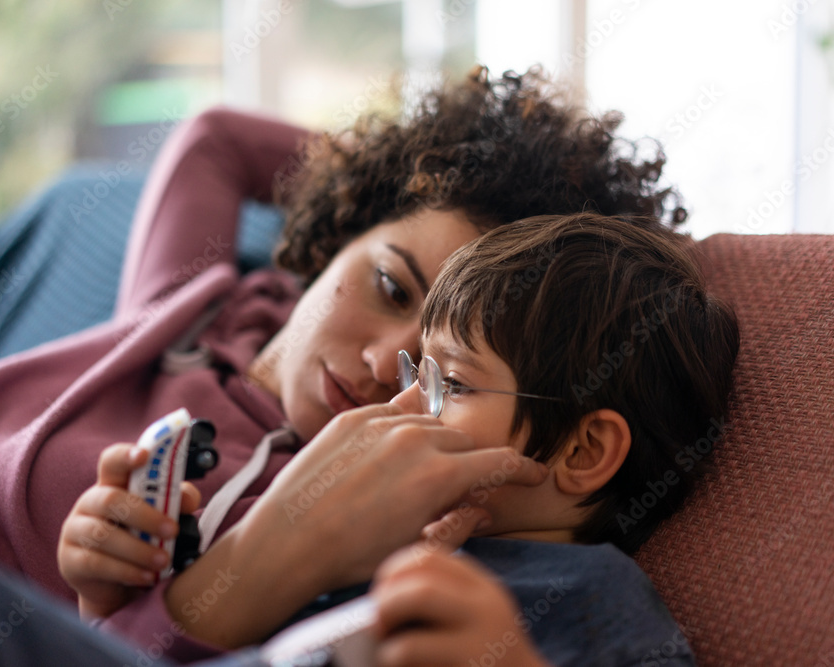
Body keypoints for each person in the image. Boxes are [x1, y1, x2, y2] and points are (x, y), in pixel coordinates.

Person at [0, 65, 685, 649]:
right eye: (388, 285)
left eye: (442, 373)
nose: (384, 367)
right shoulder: (201, 302)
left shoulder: (356, 500)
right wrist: (420, 169)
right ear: (340, 239)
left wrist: (108, 588)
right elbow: (216, 139)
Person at [60, 213, 740, 665]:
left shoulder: (589, 593)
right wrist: (108, 596)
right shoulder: (363, 535)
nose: (406, 399)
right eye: (422, 373)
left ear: (583, 451)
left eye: (456, 385)